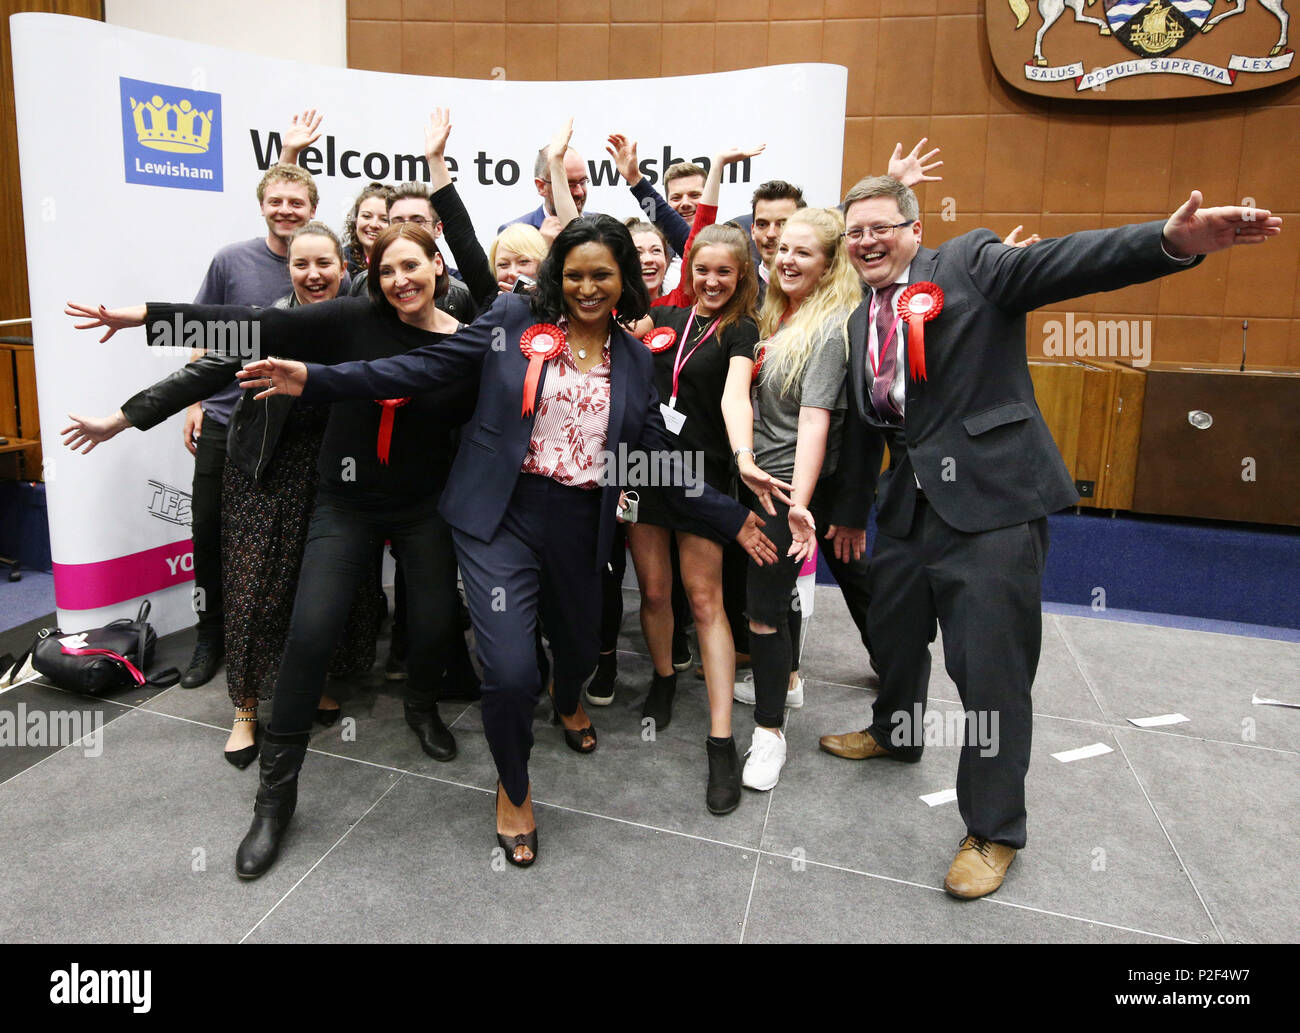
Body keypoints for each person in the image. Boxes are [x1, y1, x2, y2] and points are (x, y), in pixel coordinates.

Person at [238, 164, 780, 866]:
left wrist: (727, 515)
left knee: (578, 650)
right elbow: (420, 368)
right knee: (509, 672)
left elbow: (650, 457)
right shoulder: (516, 319)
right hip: (501, 516)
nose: (588, 288)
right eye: (576, 274)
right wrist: (316, 378)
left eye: (603, 276)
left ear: (624, 282)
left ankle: (571, 694)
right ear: (560, 275)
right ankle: (515, 787)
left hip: (583, 520)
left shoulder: (636, 361)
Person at [817, 177, 1281, 899]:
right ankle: (897, 731)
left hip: (994, 505)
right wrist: (850, 510)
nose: (868, 242)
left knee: (991, 673)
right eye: (855, 233)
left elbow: (1070, 260)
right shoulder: (857, 321)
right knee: (893, 630)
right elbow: (864, 431)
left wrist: (1171, 241)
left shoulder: (972, 262)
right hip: (906, 507)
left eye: (882, 227)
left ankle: (994, 829)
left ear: (915, 228)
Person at [62, 223, 383, 766]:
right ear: (288, 269)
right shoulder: (271, 322)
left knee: (319, 590)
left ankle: (311, 682)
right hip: (262, 470)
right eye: (301, 264)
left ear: (344, 267)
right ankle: (246, 709)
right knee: (254, 592)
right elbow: (201, 371)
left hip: (331, 478)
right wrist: (118, 420)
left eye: (324, 263)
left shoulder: (353, 319)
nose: (313, 274)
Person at [724, 206, 868, 794]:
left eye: (803, 252)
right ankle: (786, 683)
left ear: (830, 264)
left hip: (784, 489)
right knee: (773, 601)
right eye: (782, 247)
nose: (786, 258)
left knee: (761, 612)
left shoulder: (832, 327)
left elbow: (815, 421)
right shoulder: (773, 314)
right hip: (757, 477)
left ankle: (768, 736)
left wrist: (797, 504)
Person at [630, 222, 760, 814]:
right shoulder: (659, 318)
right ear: (689, 269)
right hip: (640, 470)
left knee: (703, 600)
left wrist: (744, 460)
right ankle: (662, 677)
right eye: (702, 270)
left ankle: (721, 740)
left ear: (739, 278)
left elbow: (736, 397)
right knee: (655, 593)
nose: (711, 281)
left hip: (704, 475)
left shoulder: (742, 330)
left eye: (723, 272)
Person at [177, 160, 321, 691]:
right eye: (276, 202)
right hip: (223, 416)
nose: (286, 211)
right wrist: (194, 399)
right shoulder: (230, 260)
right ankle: (209, 637)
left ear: (313, 211)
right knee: (210, 530)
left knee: (290, 541)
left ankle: (288, 645)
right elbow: (198, 327)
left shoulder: (328, 266)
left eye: (296, 203)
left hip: (294, 428)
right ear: (262, 205)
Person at [497, 138, 596, 237]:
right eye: (569, 185)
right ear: (541, 186)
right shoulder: (514, 234)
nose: (579, 192)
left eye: (583, 181)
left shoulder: (599, 228)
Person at [342, 182, 394, 277]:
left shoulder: (405, 264)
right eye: (366, 216)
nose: (374, 225)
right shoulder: (340, 262)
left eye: (384, 219)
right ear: (356, 219)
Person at [489, 223, 548, 293]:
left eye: (523, 261)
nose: (513, 272)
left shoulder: (560, 299)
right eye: (503, 264)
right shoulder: (490, 302)